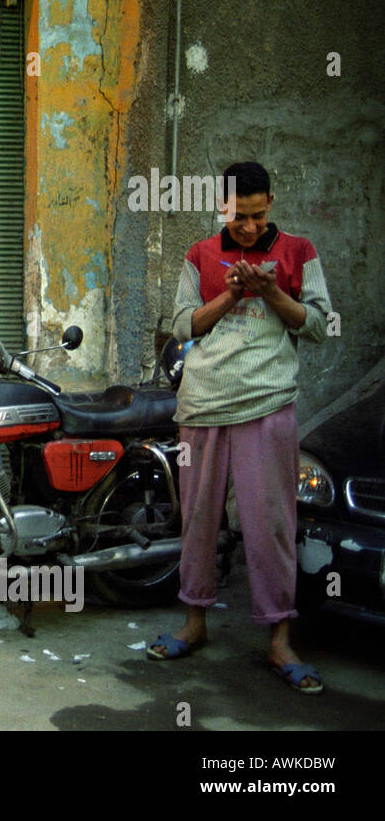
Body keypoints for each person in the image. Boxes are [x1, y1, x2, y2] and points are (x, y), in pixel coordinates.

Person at [148, 161, 332, 694]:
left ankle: (279, 639)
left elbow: (319, 324)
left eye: (257, 215)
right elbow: (183, 325)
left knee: (271, 520)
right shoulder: (200, 255)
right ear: (221, 208)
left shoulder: (300, 252)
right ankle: (195, 623)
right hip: (203, 403)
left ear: (271, 201)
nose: (248, 228)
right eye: (237, 217)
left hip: (269, 403)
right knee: (199, 517)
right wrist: (231, 294)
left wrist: (272, 292)